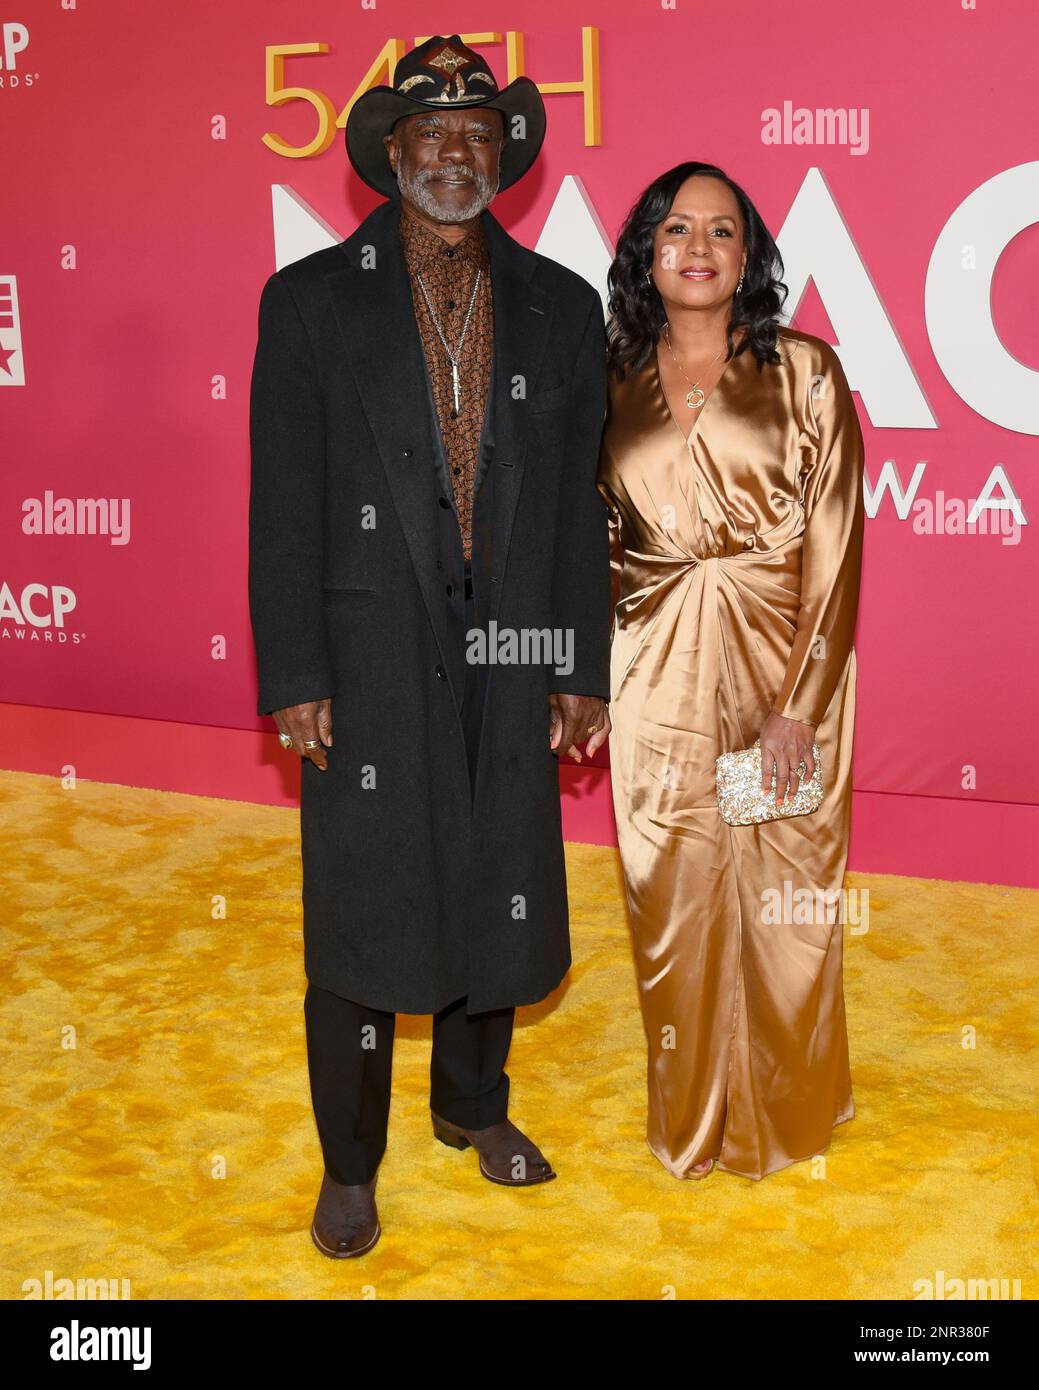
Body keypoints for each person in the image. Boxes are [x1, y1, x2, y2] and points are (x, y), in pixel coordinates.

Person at [248, 35, 611, 1257]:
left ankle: (473, 1108)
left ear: (504, 155)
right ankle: (351, 1162)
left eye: (478, 134)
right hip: (366, 652)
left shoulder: (562, 307)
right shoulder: (306, 300)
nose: (456, 152)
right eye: (430, 133)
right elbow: (283, 498)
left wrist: (573, 663)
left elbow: (573, 508)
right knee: (362, 910)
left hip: (512, 649)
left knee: (496, 882)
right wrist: (295, 672)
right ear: (389, 153)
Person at [596, 162, 865, 1181]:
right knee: (674, 895)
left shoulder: (803, 371)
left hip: (777, 675)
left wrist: (798, 709)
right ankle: (694, 1118)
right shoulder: (609, 376)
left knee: (778, 898)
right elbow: (589, 540)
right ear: (646, 255)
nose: (697, 248)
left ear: (748, 255)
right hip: (655, 675)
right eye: (674, 231)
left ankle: (789, 1112)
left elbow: (836, 553)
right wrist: (575, 675)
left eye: (720, 231)